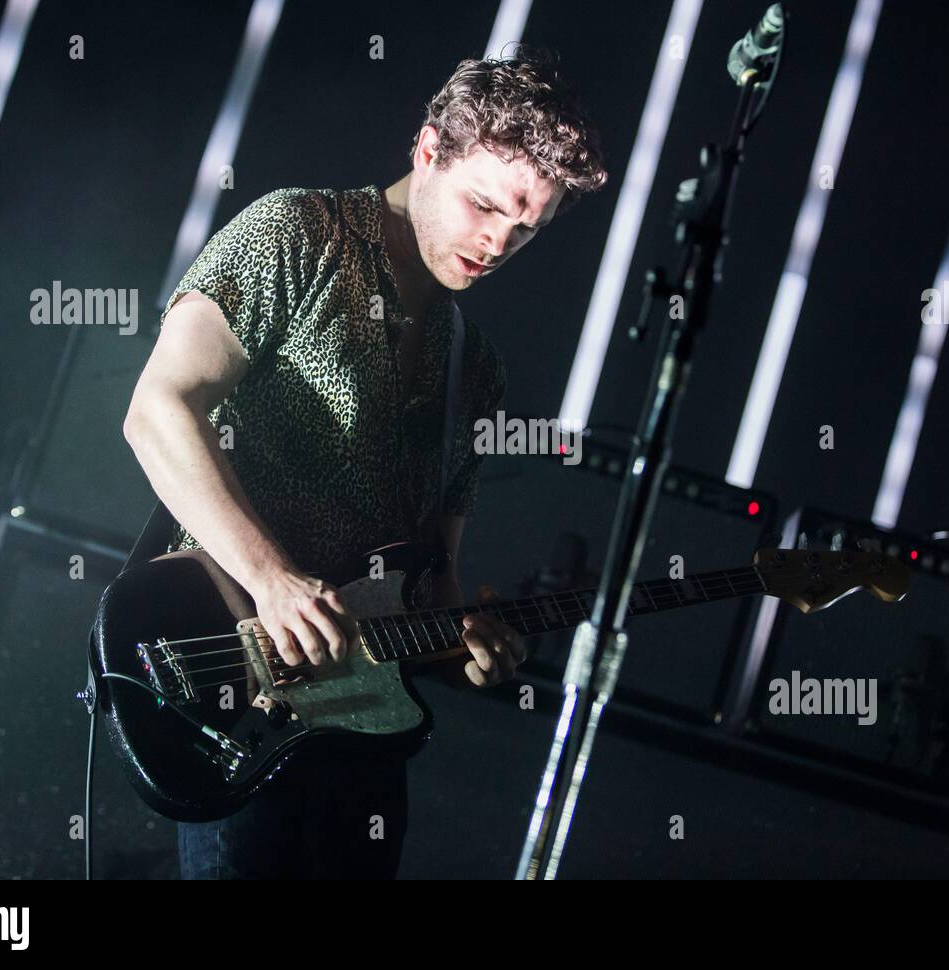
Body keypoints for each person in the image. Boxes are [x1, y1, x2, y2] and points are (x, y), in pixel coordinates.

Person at [121, 47, 608, 878]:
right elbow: (156, 410)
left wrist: (468, 650)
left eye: (527, 228)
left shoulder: (475, 369)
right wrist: (274, 580)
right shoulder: (297, 232)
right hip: (238, 679)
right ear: (426, 150)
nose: (497, 242)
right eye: (484, 204)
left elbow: (432, 579)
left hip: (368, 729)